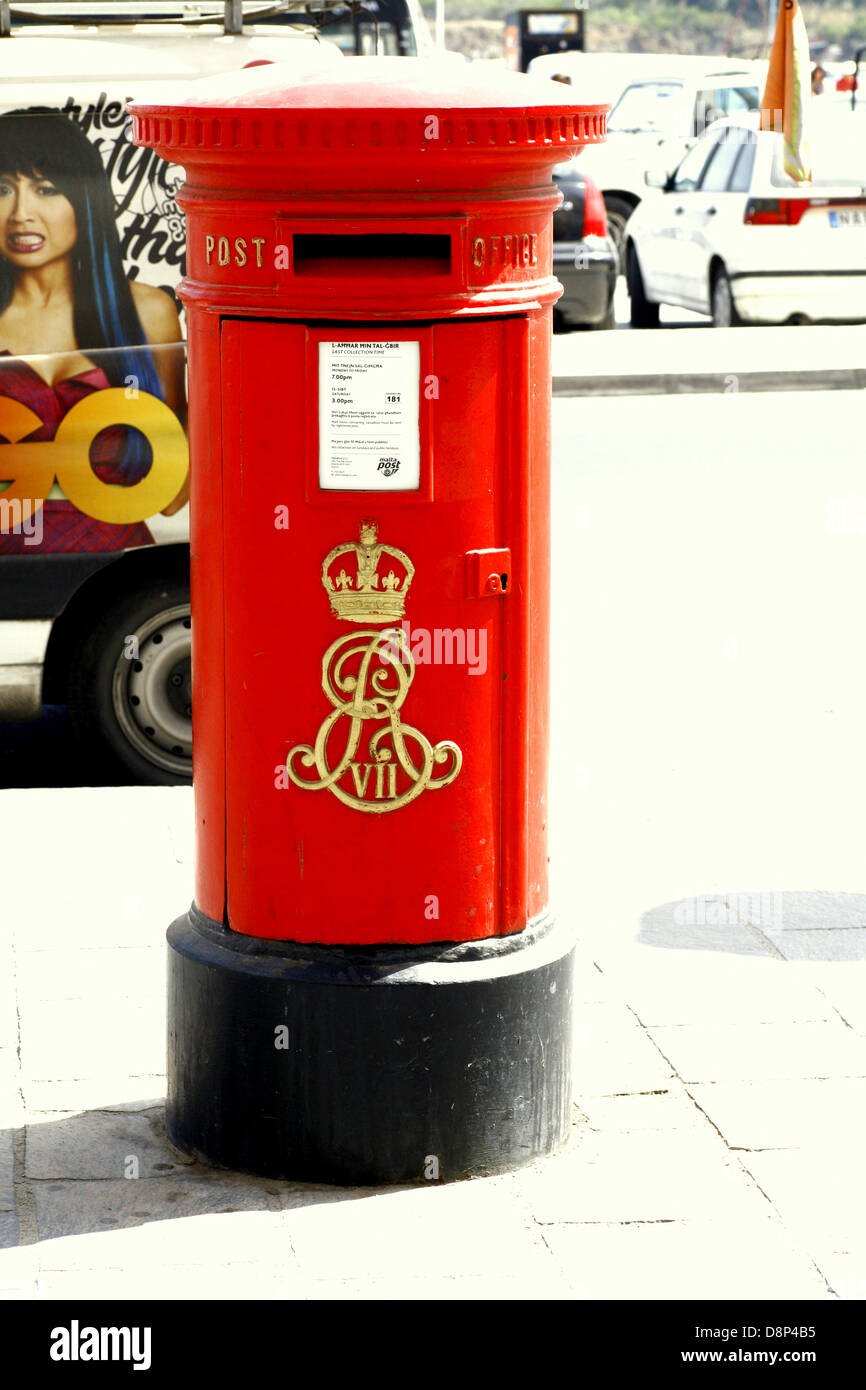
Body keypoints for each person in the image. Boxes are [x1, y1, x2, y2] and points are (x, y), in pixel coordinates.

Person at [0, 108, 187, 554]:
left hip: (116, 584)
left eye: (46, 189)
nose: (21, 213)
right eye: (3, 189)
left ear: (85, 201)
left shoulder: (147, 313)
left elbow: (173, 495)